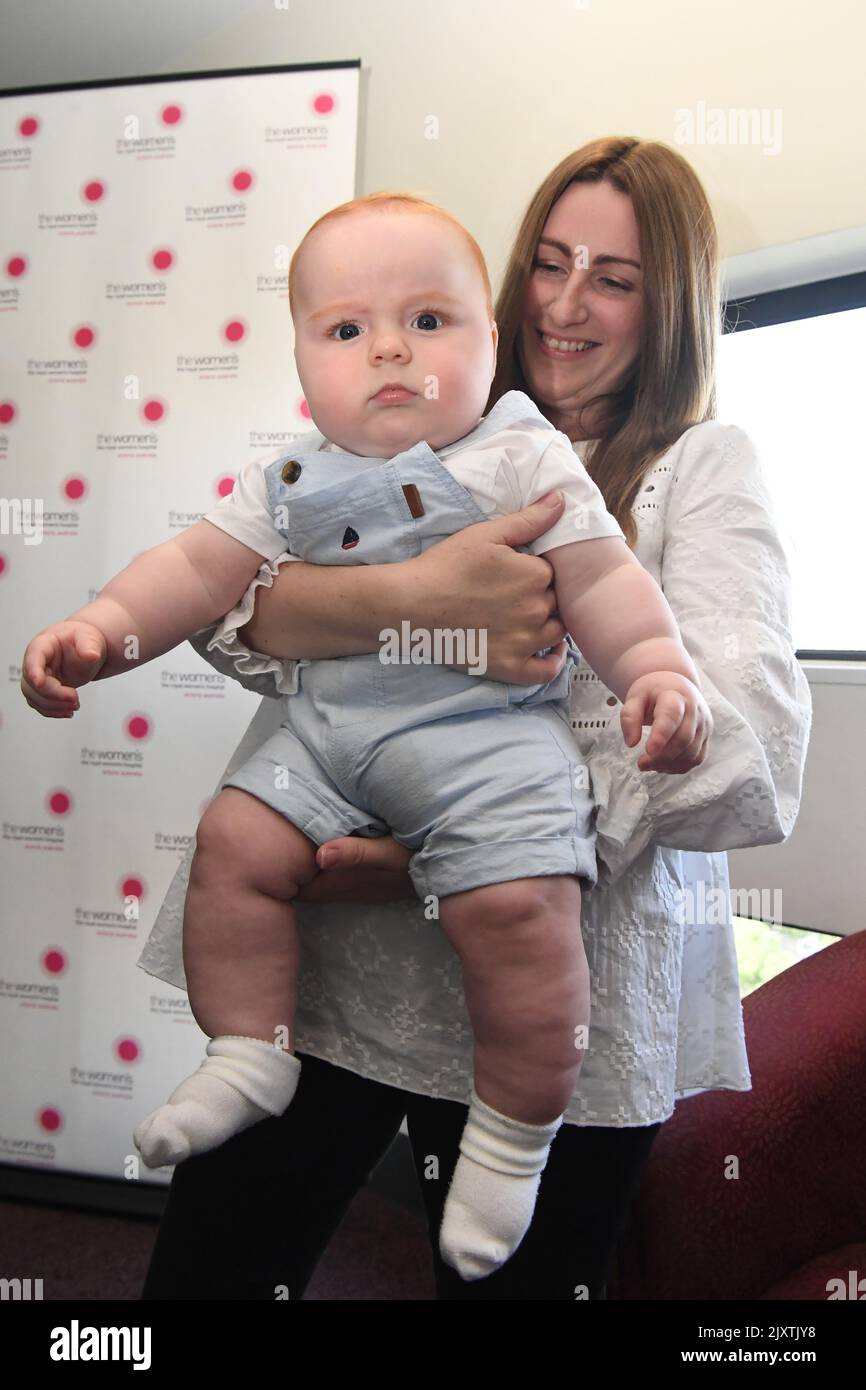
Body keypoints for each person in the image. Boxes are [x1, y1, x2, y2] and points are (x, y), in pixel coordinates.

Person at [139, 136, 810, 1301]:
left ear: (671, 306)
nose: (562, 301)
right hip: (340, 969)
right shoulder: (393, 427)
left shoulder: (700, 464)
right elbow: (223, 615)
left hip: (562, 973)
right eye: (547, 261)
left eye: (612, 276)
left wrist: (446, 850)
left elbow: (744, 745)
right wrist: (410, 604)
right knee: (213, 1267)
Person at [19, 190, 714, 1282]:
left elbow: (603, 581)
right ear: (303, 364)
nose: (389, 347)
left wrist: (657, 671)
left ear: (490, 346)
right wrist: (102, 626)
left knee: (522, 903)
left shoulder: (522, 455)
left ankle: (511, 1131)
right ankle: (248, 1049)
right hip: (330, 734)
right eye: (347, 330)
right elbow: (199, 575)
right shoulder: (291, 473)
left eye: (428, 321)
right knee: (235, 842)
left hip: (484, 746)